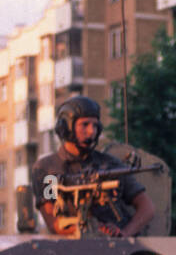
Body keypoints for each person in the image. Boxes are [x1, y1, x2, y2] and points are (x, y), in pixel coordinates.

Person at [30, 95, 156, 238]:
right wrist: (92, 230)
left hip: (117, 245)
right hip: (72, 248)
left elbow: (147, 208)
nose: (92, 131)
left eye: (95, 126)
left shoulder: (111, 166)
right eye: (85, 125)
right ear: (66, 127)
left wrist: (124, 233)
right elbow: (54, 223)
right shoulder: (49, 170)